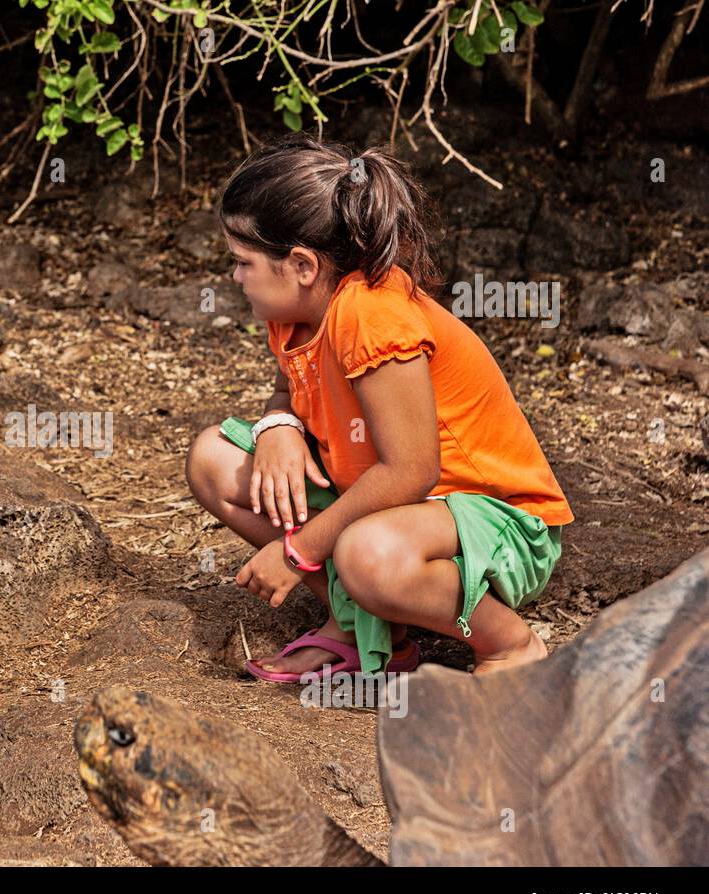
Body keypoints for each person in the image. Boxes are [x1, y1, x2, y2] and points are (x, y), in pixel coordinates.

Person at [185, 134, 574, 679]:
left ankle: (508, 644)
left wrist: (296, 553)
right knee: (214, 459)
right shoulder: (295, 309)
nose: (234, 277)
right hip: (385, 507)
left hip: (491, 520)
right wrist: (277, 427)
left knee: (366, 554)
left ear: (300, 264)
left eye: (243, 262)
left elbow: (412, 470)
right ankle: (365, 626)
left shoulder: (372, 316)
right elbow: (287, 391)